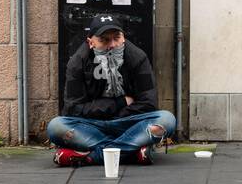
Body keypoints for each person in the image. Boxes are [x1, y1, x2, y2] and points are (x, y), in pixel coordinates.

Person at [47, 14, 177, 167]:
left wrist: (115, 115)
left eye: (117, 38)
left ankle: (92, 157)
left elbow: (149, 103)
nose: (112, 45)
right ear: (91, 42)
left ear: (124, 38)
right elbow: (72, 109)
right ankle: (131, 152)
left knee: (167, 120)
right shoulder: (77, 62)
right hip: (93, 125)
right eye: (104, 40)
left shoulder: (138, 57)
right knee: (56, 126)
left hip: (128, 123)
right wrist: (120, 103)